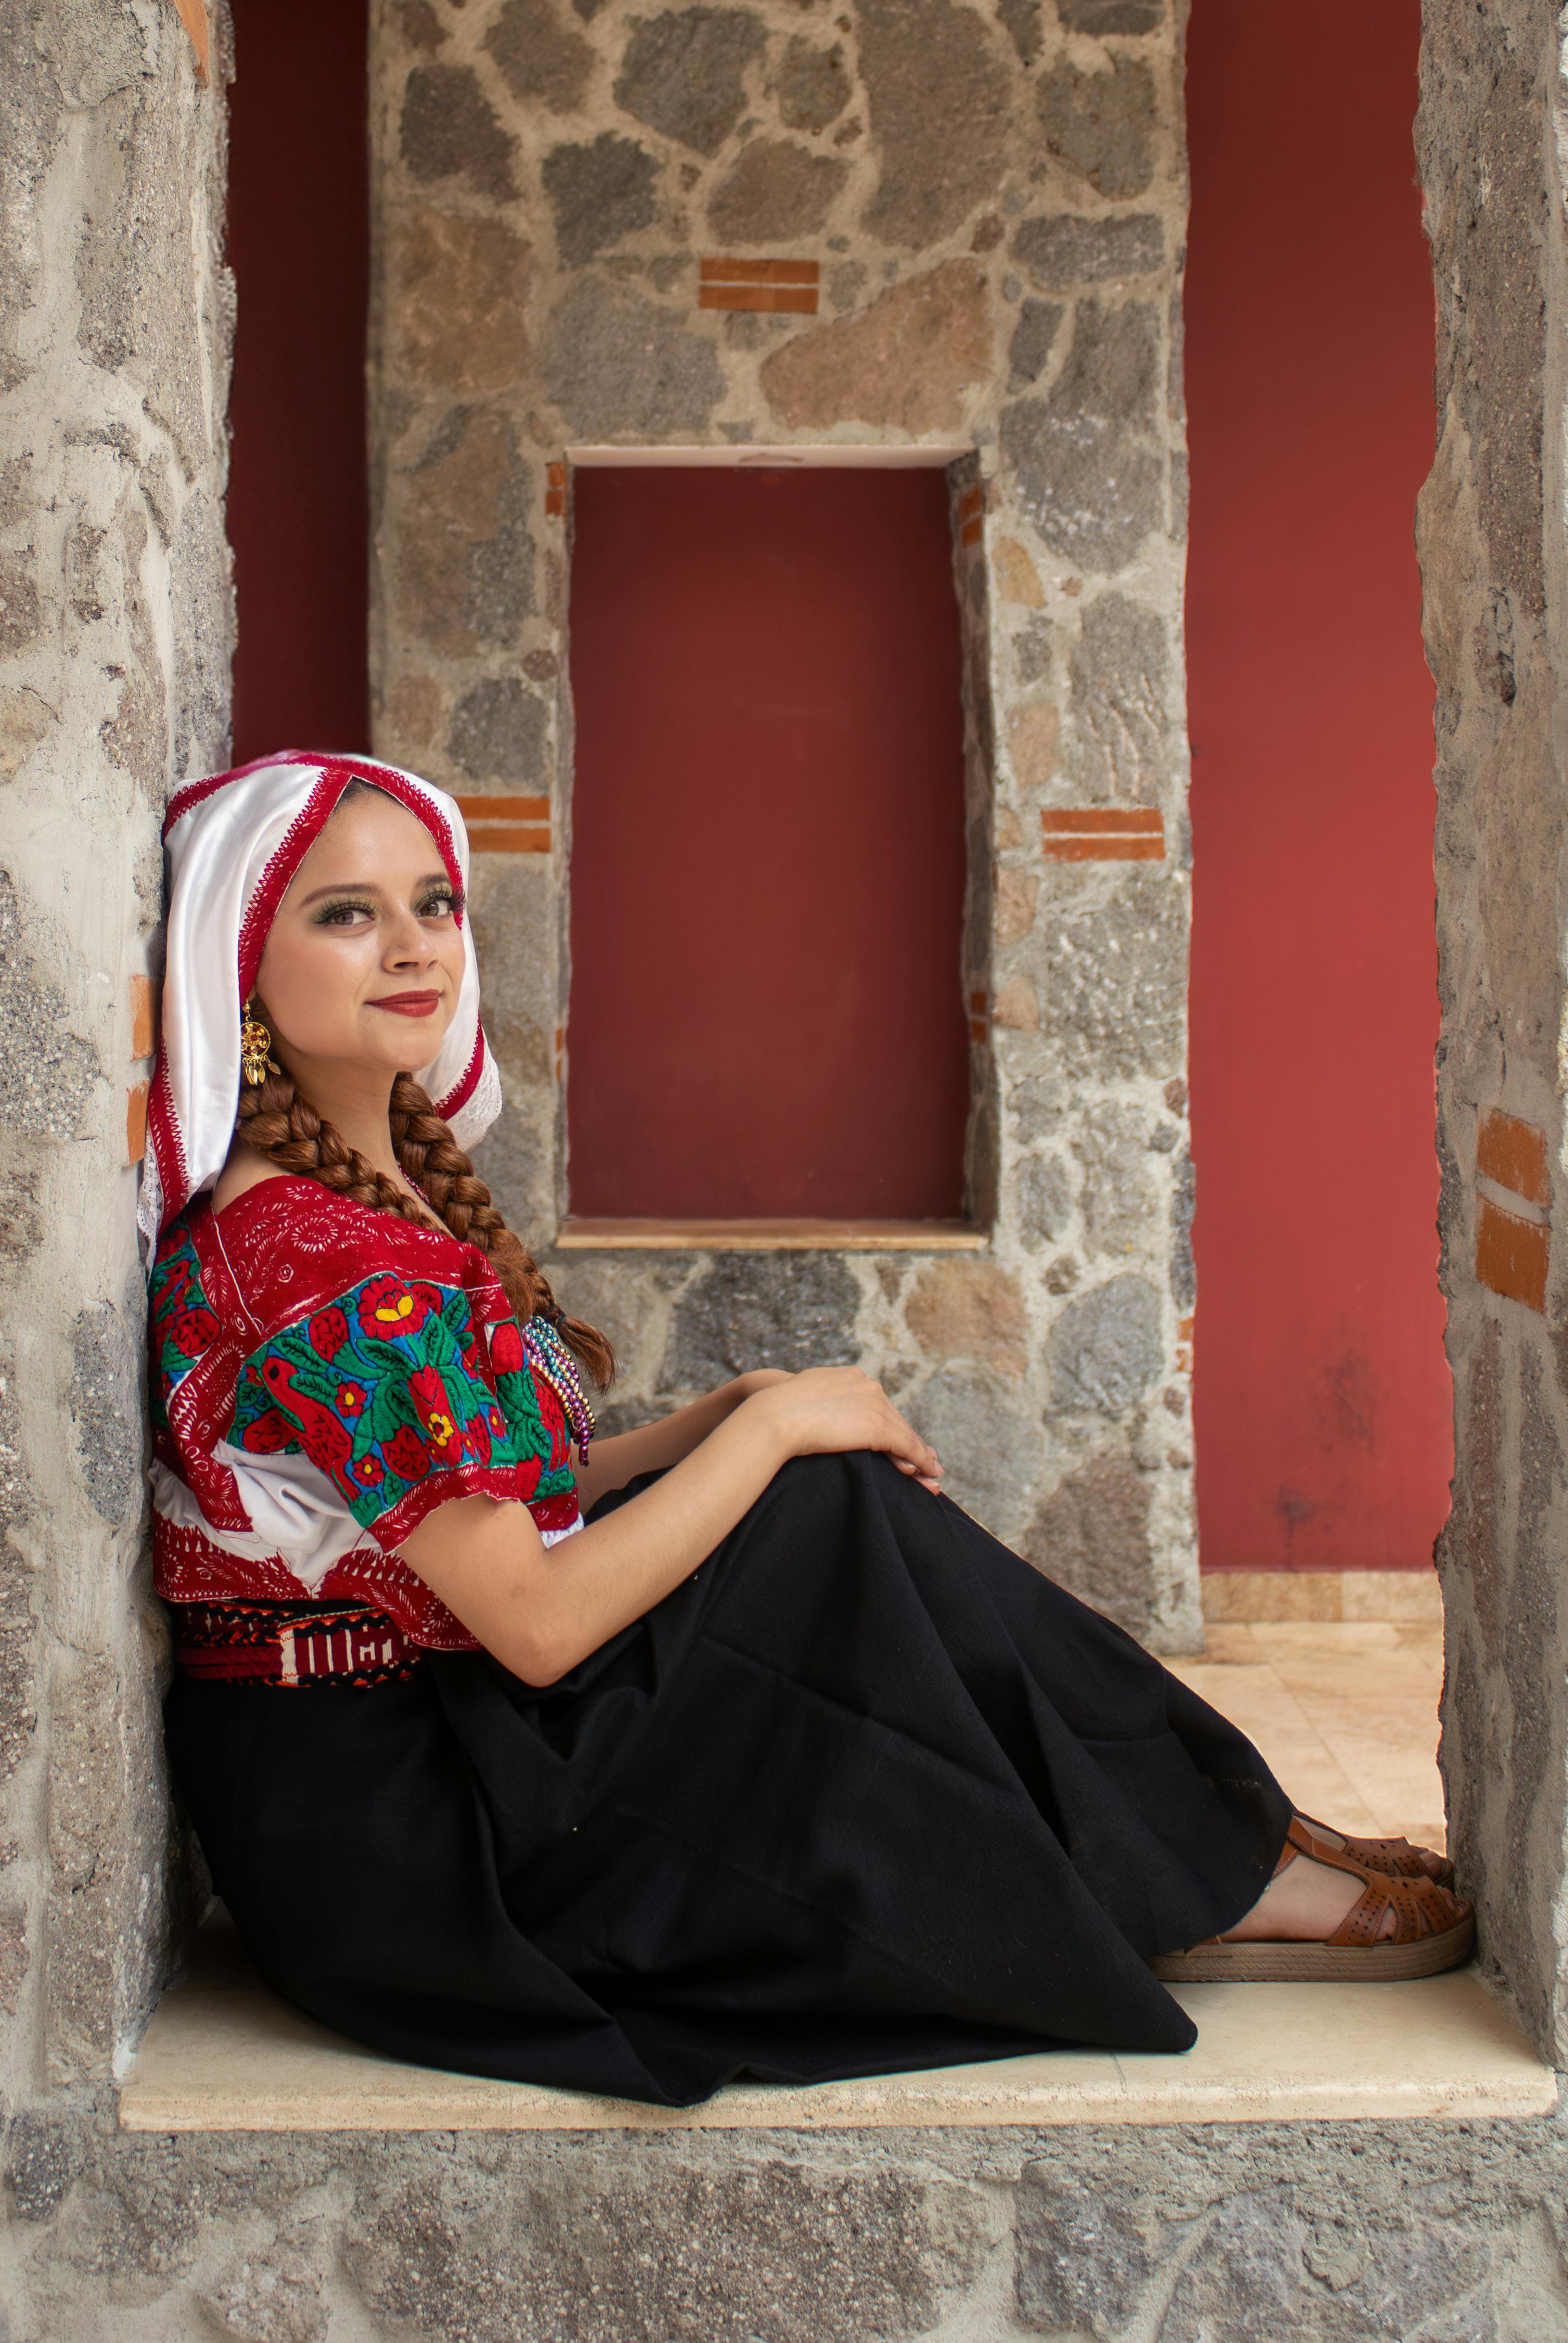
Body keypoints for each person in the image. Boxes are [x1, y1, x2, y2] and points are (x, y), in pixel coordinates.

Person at [144, 750, 1472, 2108]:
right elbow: (530, 1620)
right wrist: (764, 1444)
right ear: (244, 954)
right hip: (404, 1835)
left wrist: (713, 1422)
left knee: (819, 1496)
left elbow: (468, 1508)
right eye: (345, 914)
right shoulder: (316, 1255)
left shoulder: (363, 1209)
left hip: (437, 1737)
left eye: (432, 904)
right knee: (821, 1511)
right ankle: (1214, 1857)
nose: (413, 946)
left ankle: (1204, 1844)